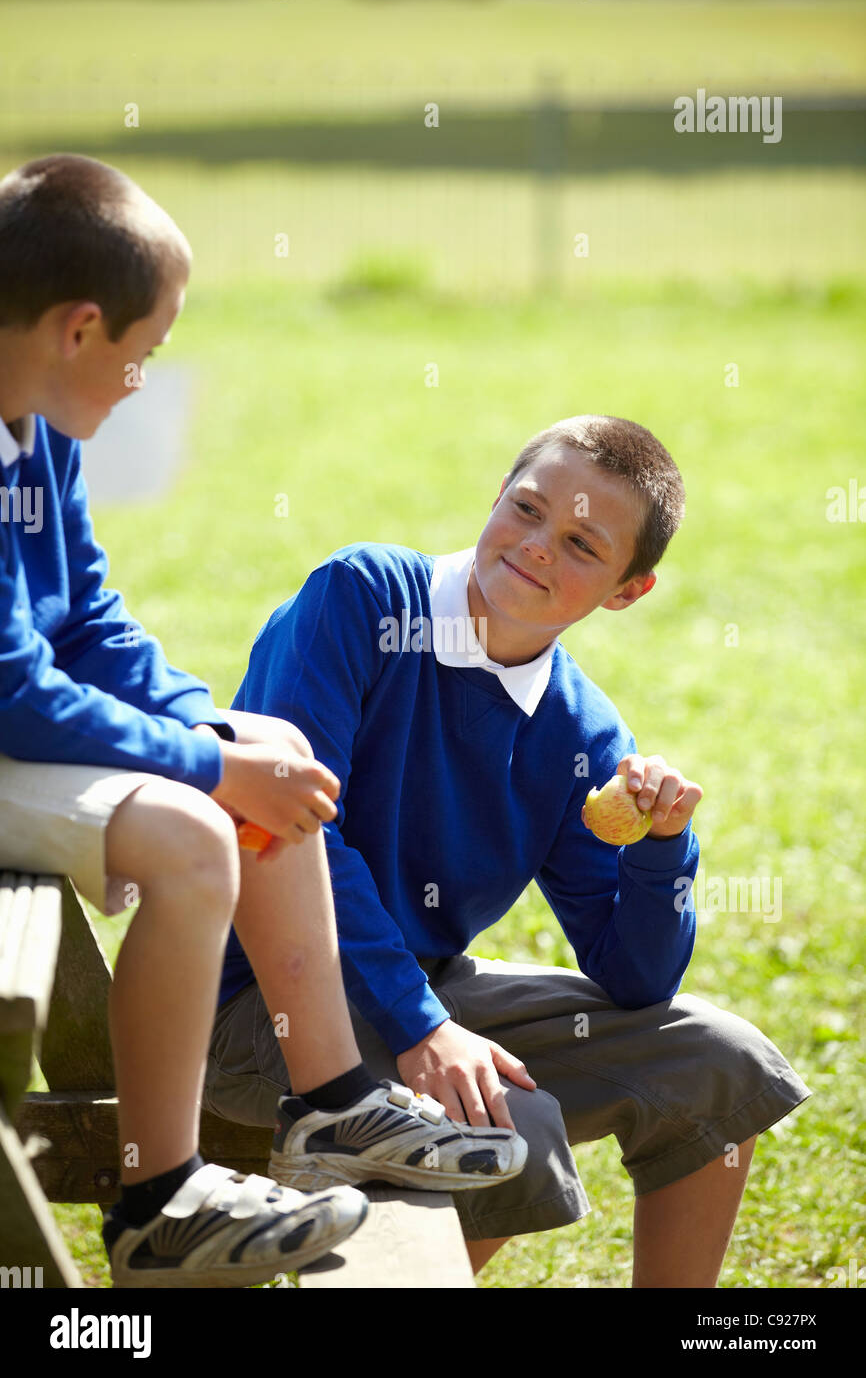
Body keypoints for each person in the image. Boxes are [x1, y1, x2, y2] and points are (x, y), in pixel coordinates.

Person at [0, 154, 526, 1289]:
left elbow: (86, 620)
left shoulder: (37, 422)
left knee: (271, 754)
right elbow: (12, 687)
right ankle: (159, 1198)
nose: (146, 377)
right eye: (148, 347)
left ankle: (332, 1102)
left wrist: (221, 736)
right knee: (197, 831)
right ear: (80, 328)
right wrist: (203, 766)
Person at [205, 414, 811, 1285]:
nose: (536, 547)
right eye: (526, 509)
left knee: (719, 1059)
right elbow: (294, 835)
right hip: (259, 1005)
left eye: (579, 544)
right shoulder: (362, 597)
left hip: (421, 992)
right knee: (504, 1127)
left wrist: (662, 849)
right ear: (496, 493)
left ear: (627, 591)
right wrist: (422, 1026)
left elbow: (634, 978)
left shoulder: (579, 729)